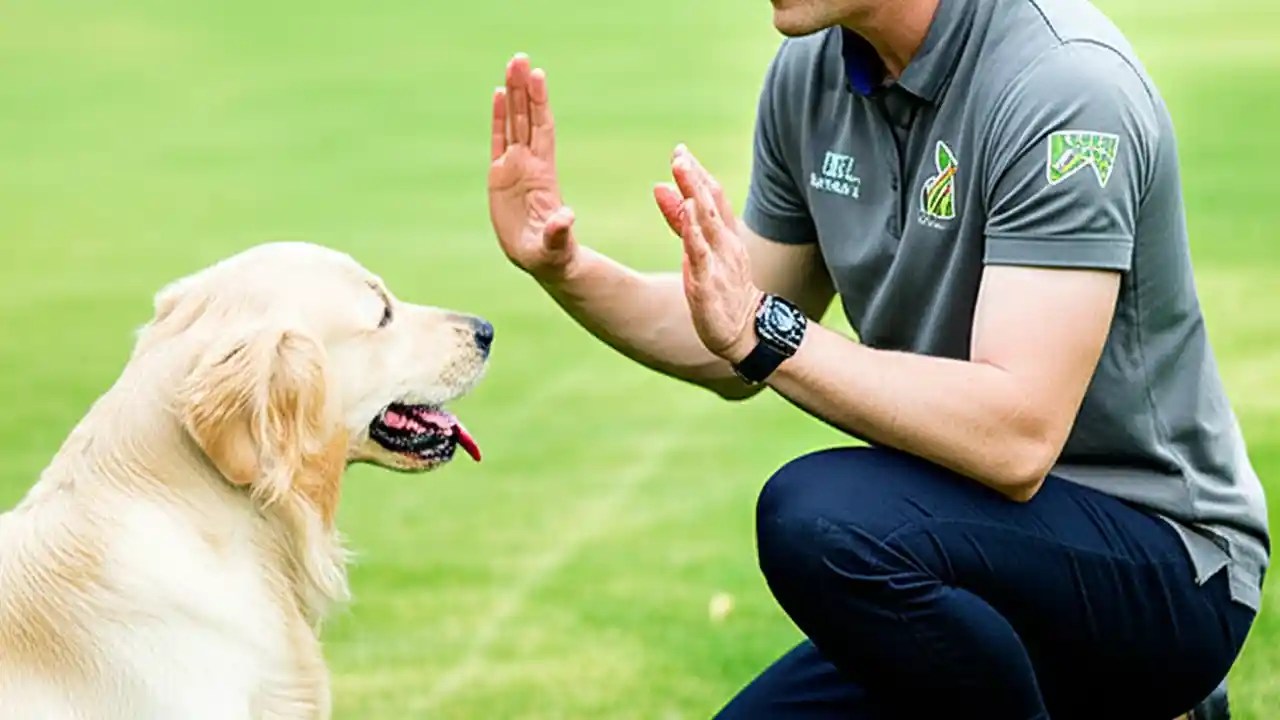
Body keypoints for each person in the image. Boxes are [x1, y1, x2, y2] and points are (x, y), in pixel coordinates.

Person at [485, 0, 1268, 717]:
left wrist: (765, 332)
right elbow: (727, 335)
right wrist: (569, 269)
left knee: (818, 517)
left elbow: (1017, 434)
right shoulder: (811, 75)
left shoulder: (1066, 84)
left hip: (1163, 564)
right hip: (967, 560)